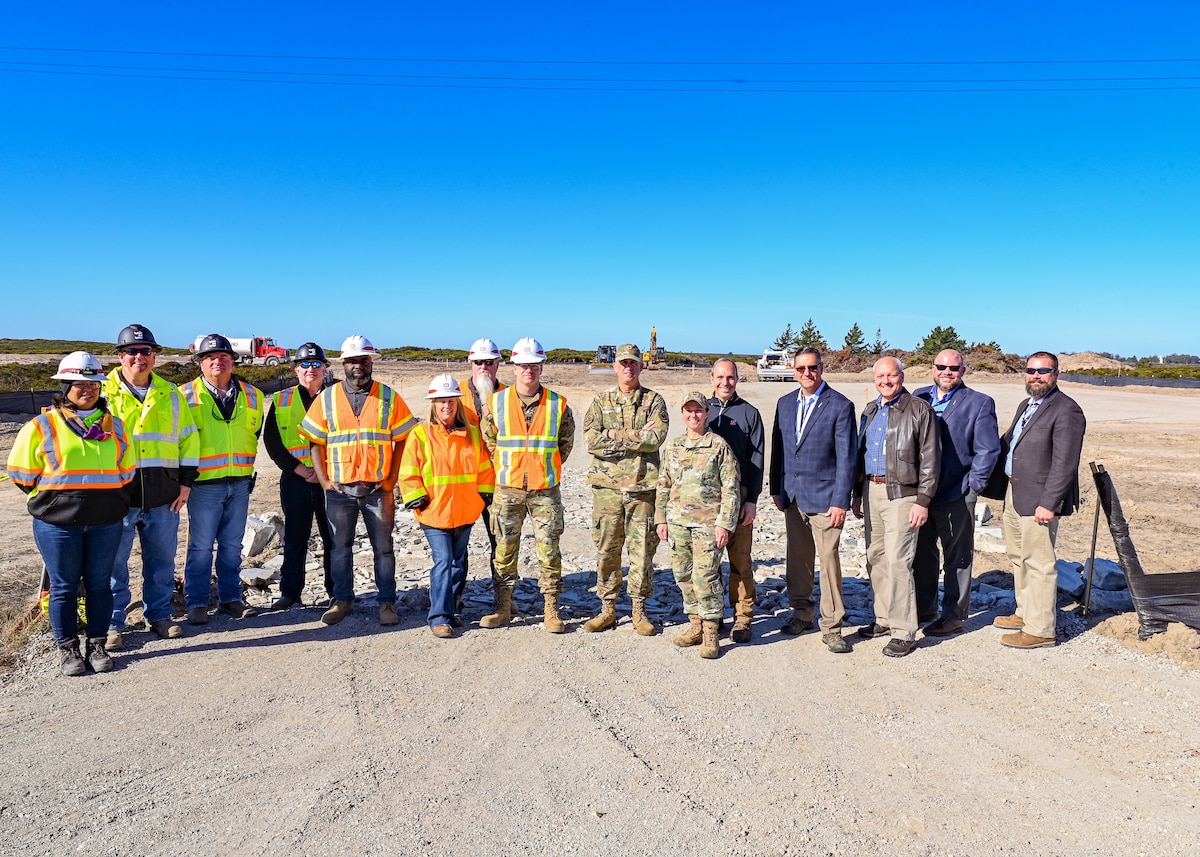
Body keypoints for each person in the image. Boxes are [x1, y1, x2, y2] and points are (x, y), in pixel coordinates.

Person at [6, 353, 134, 675]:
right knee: (63, 587)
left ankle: (97, 644)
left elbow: (127, 470)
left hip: (105, 520)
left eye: (93, 383)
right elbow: (21, 474)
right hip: (58, 524)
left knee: (99, 585)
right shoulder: (41, 426)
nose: (87, 389)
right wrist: (56, 498)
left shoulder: (115, 426)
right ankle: (68, 650)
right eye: (78, 383)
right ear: (65, 387)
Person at [299, 335, 417, 626]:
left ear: (371, 363)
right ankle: (343, 601)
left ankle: (386, 603)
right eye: (352, 361)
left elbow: (403, 439)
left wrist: (392, 479)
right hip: (339, 489)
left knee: (384, 549)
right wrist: (325, 481)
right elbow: (316, 442)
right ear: (343, 364)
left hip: (379, 489)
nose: (358, 367)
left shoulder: (388, 397)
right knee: (340, 548)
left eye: (363, 361)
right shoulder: (327, 398)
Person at [102, 324, 199, 648]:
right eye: (132, 351)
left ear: (155, 356)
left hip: (163, 496)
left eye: (146, 351)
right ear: (120, 356)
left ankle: (158, 615)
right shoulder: (102, 394)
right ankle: (112, 623)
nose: (139, 357)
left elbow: (188, 441)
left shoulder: (170, 394)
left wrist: (185, 485)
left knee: (161, 560)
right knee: (113, 564)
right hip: (118, 496)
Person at [479, 337, 575, 633]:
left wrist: (541, 468)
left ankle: (551, 609)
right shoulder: (496, 402)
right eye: (523, 365)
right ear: (514, 367)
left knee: (549, 550)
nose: (528, 370)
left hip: (545, 489)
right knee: (504, 549)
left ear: (541, 367)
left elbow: (565, 445)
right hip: (507, 488)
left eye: (534, 365)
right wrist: (509, 467)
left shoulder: (558, 404)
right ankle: (503, 607)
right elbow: (489, 439)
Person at [992, 351, 1086, 649]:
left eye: (1043, 371)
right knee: (1019, 558)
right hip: (1015, 492)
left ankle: (1042, 629)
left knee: (1040, 562)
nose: (1036, 376)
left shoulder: (1066, 410)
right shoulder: (1027, 404)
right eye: (1031, 370)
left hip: (1039, 499)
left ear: (1056, 374)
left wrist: (1049, 502)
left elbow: (1064, 462)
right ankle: (1025, 612)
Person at [768, 348, 857, 654]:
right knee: (799, 560)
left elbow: (847, 459)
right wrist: (776, 488)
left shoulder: (840, 405)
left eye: (813, 368)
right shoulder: (785, 403)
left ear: (822, 368)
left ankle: (832, 626)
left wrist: (841, 500)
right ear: (794, 370)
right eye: (801, 368)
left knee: (829, 561)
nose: (807, 373)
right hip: (792, 496)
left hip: (825, 499)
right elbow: (778, 449)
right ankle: (802, 612)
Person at [851, 356, 939, 658]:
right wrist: (856, 492)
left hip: (903, 494)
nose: (886, 381)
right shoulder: (870, 410)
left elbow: (930, 459)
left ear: (902, 376)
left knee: (899, 561)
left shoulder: (918, 410)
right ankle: (884, 619)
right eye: (880, 376)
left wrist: (923, 500)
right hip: (870, 490)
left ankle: (904, 631)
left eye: (892, 375)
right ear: (874, 378)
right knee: (876, 557)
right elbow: (860, 454)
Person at [398, 375, 496, 637]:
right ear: (432, 404)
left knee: (458, 563)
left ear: (457, 403)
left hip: (465, 511)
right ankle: (439, 617)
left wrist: (483, 495)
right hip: (433, 512)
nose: (446, 406)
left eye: (450, 401)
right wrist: (416, 495)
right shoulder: (420, 434)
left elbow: (485, 470)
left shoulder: (473, 435)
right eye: (440, 401)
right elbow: (408, 471)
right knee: (443, 561)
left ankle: (451, 610)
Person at [911, 350, 1000, 636]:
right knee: (922, 553)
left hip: (957, 491)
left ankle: (954, 615)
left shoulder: (979, 403)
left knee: (957, 556)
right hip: (922, 493)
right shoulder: (919, 396)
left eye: (953, 367)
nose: (947, 372)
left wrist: (974, 485)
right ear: (933, 368)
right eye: (941, 366)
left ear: (963, 370)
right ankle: (924, 607)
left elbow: (988, 449)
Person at [582, 343, 669, 636]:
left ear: (641, 366)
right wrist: (634, 436)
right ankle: (607, 609)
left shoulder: (654, 402)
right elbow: (591, 441)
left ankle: (638, 609)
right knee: (607, 549)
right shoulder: (600, 401)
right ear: (615, 366)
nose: (628, 368)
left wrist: (613, 435)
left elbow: (655, 438)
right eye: (623, 363)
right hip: (607, 490)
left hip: (642, 489)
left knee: (642, 551)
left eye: (633, 363)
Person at [180, 334, 264, 625]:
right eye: (210, 358)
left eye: (224, 357)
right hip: (203, 486)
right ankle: (198, 602)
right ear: (201, 363)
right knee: (201, 548)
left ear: (233, 361)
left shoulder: (254, 395)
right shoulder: (183, 396)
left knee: (232, 546)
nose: (218, 362)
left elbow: (253, 434)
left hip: (240, 483)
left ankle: (231, 599)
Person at [655, 392, 740, 660]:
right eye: (689, 411)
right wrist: (661, 519)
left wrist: (724, 524)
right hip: (678, 523)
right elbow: (663, 485)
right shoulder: (674, 447)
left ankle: (712, 630)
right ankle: (695, 624)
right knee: (682, 574)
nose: (694, 415)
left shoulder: (718, 446)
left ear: (707, 413)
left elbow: (730, 488)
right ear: (683, 413)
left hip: (707, 525)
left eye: (699, 411)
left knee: (706, 577)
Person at [263, 342, 335, 610]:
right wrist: (298, 469)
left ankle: (336, 591)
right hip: (295, 479)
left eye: (317, 364)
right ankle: (290, 592)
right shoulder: (281, 399)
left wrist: (323, 472)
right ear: (295, 369)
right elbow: (272, 441)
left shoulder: (337, 397)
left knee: (333, 538)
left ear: (324, 369)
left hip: (330, 480)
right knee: (295, 537)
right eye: (305, 364)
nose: (311, 369)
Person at [706, 358, 764, 644]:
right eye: (720, 377)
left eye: (730, 378)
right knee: (709, 559)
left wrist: (751, 500)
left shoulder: (749, 413)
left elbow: (757, 460)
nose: (725, 383)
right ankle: (712, 614)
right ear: (711, 378)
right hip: (707, 499)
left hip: (739, 497)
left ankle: (743, 618)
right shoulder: (701, 410)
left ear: (737, 379)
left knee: (740, 560)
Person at [459, 338, 506, 597]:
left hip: (498, 484)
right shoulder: (454, 396)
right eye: (479, 362)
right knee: (458, 548)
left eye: (490, 362)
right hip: (462, 485)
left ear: (498, 364)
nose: (484, 367)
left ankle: (503, 600)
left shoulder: (509, 395)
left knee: (501, 546)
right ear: (470, 363)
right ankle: (455, 601)